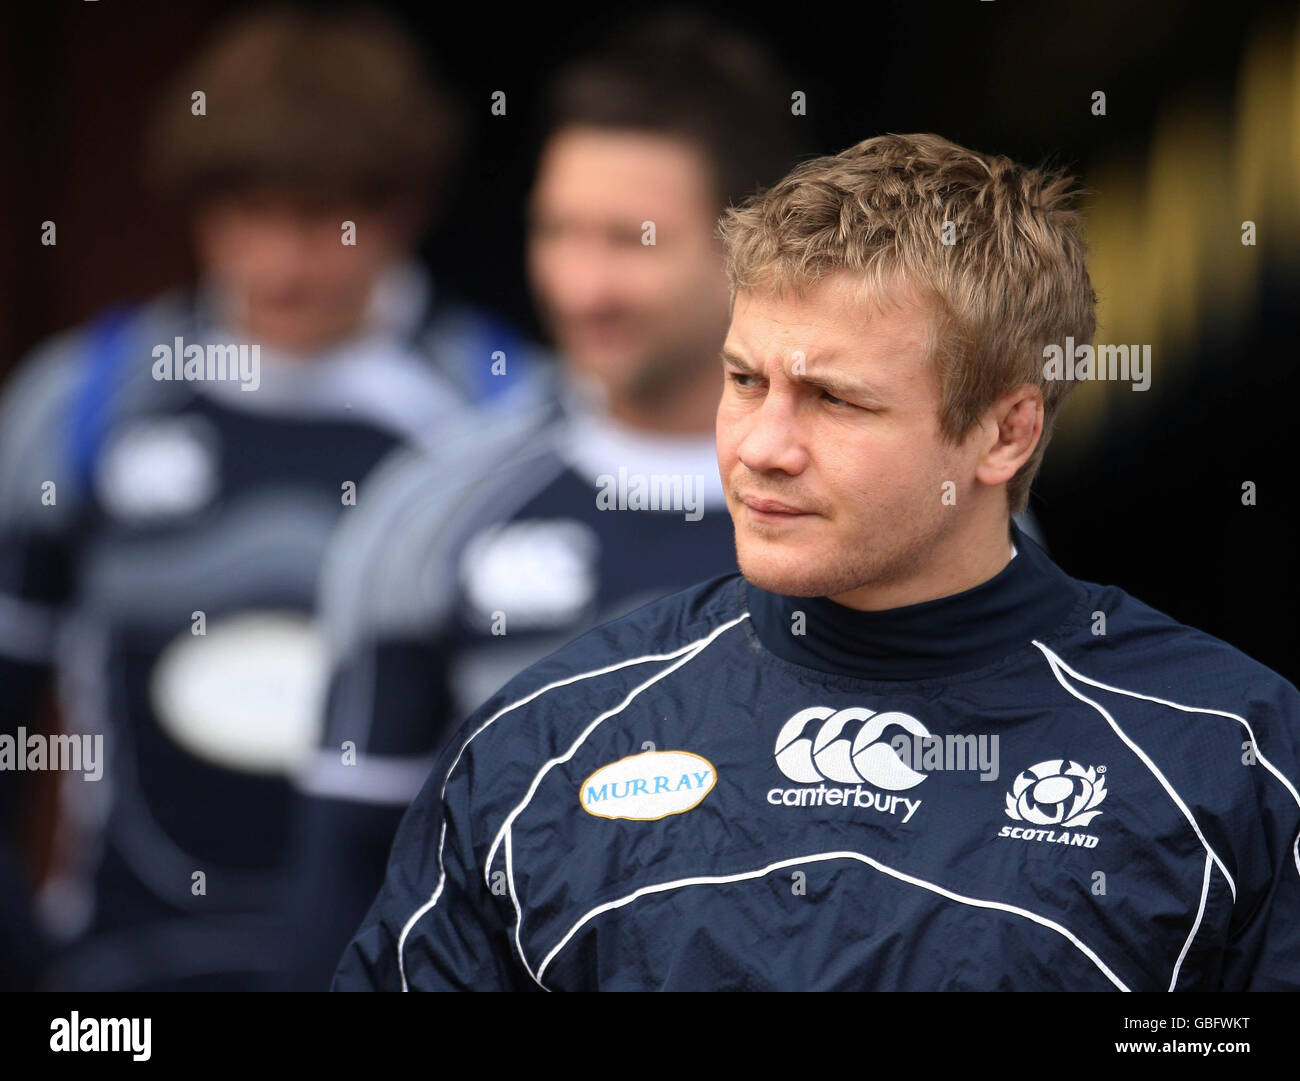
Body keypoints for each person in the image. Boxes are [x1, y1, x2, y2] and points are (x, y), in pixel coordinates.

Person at [334, 133, 1300, 991]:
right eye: (745, 379)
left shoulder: (1228, 753)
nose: (762, 446)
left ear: (1007, 432)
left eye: (835, 400)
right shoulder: (549, 734)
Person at [0, 6, 544, 991]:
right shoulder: (82, 402)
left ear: (404, 207)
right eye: (246, 213)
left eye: (323, 218)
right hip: (120, 964)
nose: (282, 261)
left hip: (405, 969)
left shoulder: (503, 409)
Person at [284, 11, 820, 989]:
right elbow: (348, 877)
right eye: (557, 230)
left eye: (631, 241)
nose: (583, 283)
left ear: (755, 244)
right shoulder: (431, 511)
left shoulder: (894, 509)